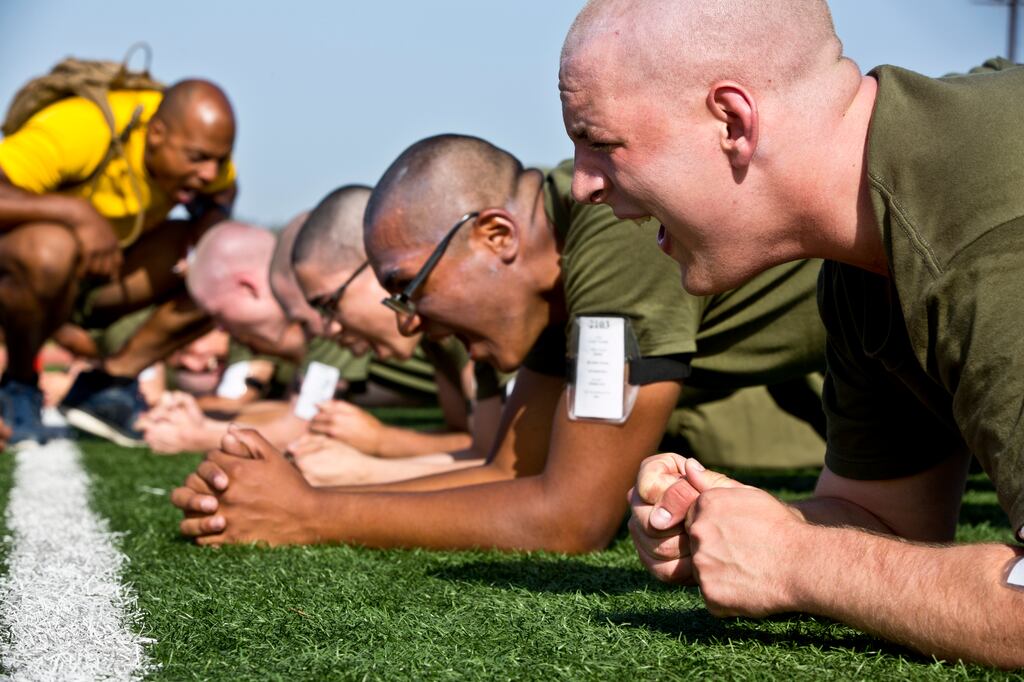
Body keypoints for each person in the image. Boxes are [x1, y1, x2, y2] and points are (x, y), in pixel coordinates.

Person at [560, 0, 1024, 668]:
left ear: (733, 121)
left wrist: (795, 560)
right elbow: (888, 521)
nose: (581, 186)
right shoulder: (868, 255)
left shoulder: (986, 240)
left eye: (602, 144)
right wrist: (736, 524)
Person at [169, 134, 826, 553]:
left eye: (409, 288)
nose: (409, 323)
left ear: (496, 237)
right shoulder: (549, 275)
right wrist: (300, 496)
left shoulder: (611, 228)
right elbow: (509, 474)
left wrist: (310, 515)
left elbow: (572, 518)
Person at [0, 78, 237, 447]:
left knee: (223, 265)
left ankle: (105, 385)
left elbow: (223, 192)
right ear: (156, 134)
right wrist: (76, 214)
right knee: (51, 249)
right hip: (26, 278)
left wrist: (205, 237)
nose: (209, 173)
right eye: (198, 158)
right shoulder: (85, 126)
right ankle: (19, 382)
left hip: (97, 282)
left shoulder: (203, 153)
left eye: (218, 160)